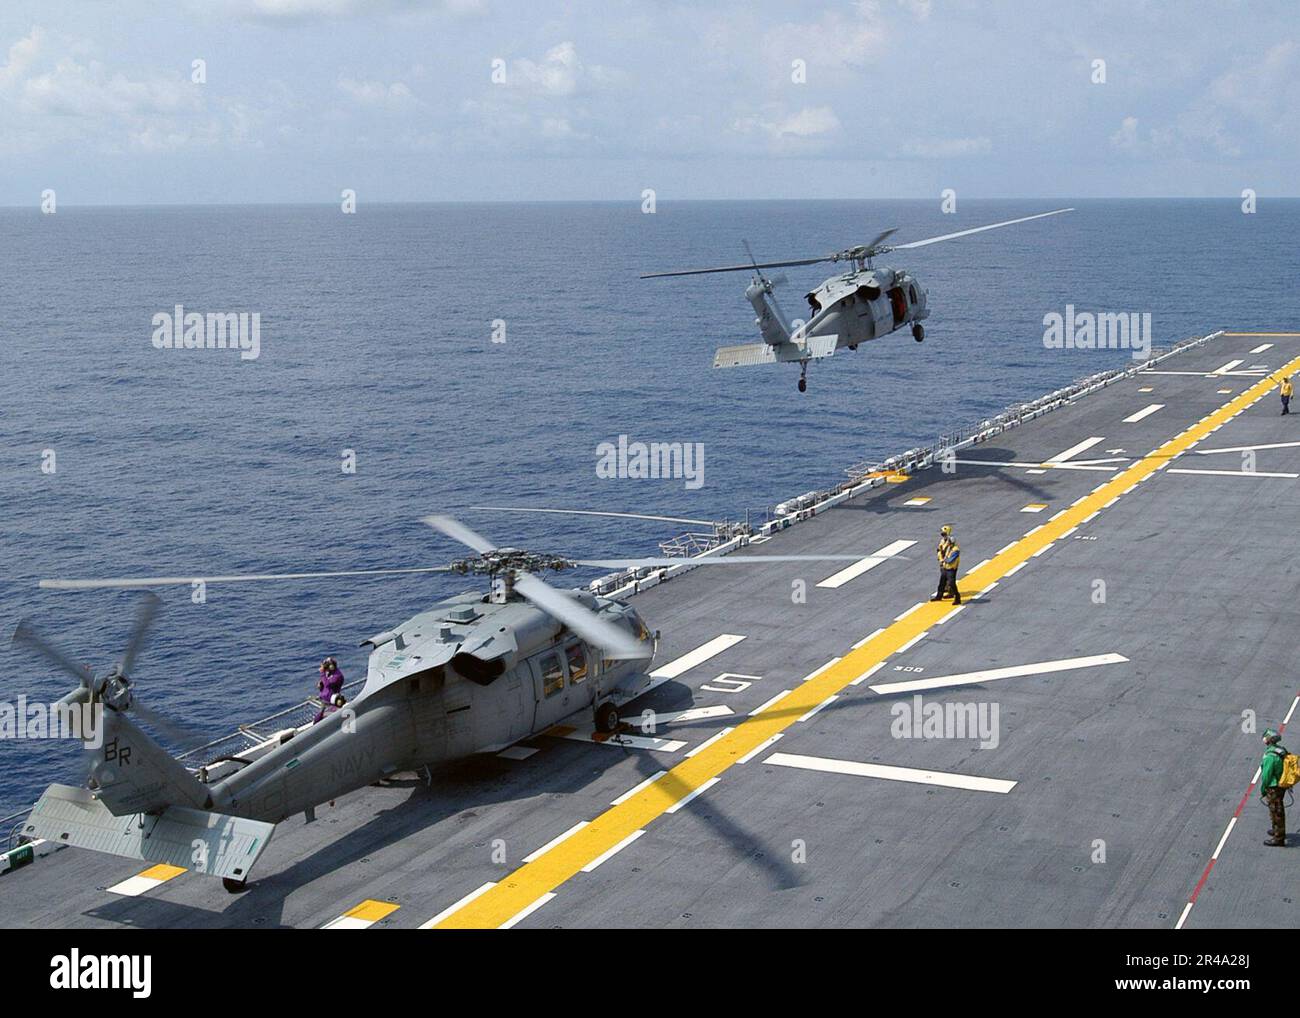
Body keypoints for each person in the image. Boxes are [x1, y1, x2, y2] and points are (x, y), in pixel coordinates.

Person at [1260, 729, 1289, 846]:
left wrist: (1263, 789)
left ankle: (1279, 838)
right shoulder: (1281, 750)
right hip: (1281, 785)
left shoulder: (1270, 756)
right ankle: (1277, 830)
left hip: (1273, 787)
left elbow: (1266, 776)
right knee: (1277, 809)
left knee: (1276, 811)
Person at [930, 524, 962, 605]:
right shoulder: (945, 544)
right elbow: (939, 550)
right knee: (942, 583)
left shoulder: (955, 549)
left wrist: (944, 560)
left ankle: (957, 597)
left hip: (951, 569)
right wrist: (941, 560)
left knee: (952, 583)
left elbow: (951, 560)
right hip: (945, 567)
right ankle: (939, 596)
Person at [313, 657, 345, 724]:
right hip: (324, 699)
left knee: (327, 719)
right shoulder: (328, 673)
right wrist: (321, 686)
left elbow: (328, 684)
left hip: (331, 701)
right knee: (318, 718)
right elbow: (325, 684)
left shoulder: (337, 676)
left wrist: (322, 673)